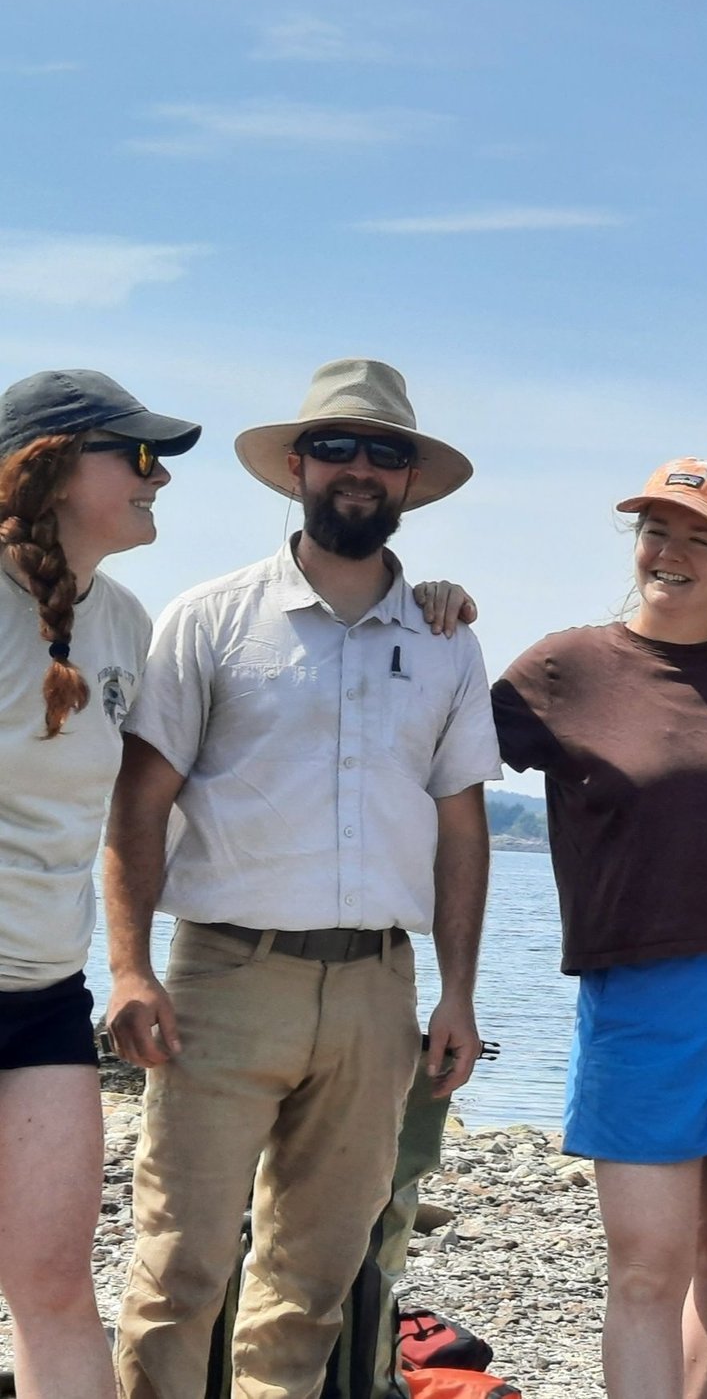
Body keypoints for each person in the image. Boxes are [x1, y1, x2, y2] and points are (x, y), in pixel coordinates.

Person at [104, 357, 501, 1398]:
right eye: (336, 447)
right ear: (296, 466)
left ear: (411, 479)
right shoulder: (210, 618)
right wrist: (131, 970)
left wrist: (458, 991)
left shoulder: (449, 642)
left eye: (384, 452)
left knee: (315, 1283)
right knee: (177, 1269)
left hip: (378, 990)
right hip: (221, 983)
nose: (358, 469)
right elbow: (137, 808)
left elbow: (462, 832)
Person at [490, 457, 707, 1399]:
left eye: (700, 536)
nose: (670, 550)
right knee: (647, 1268)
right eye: (656, 529)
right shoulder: (565, 667)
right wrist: (429, 620)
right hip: (642, 987)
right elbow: (434, 757)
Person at [0, 369, 199, 1399]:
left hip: (40, 999)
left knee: (57, 1289)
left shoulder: (126, 624)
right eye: (138, 455)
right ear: (54, 464)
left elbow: (148, 805)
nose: (157, 477)